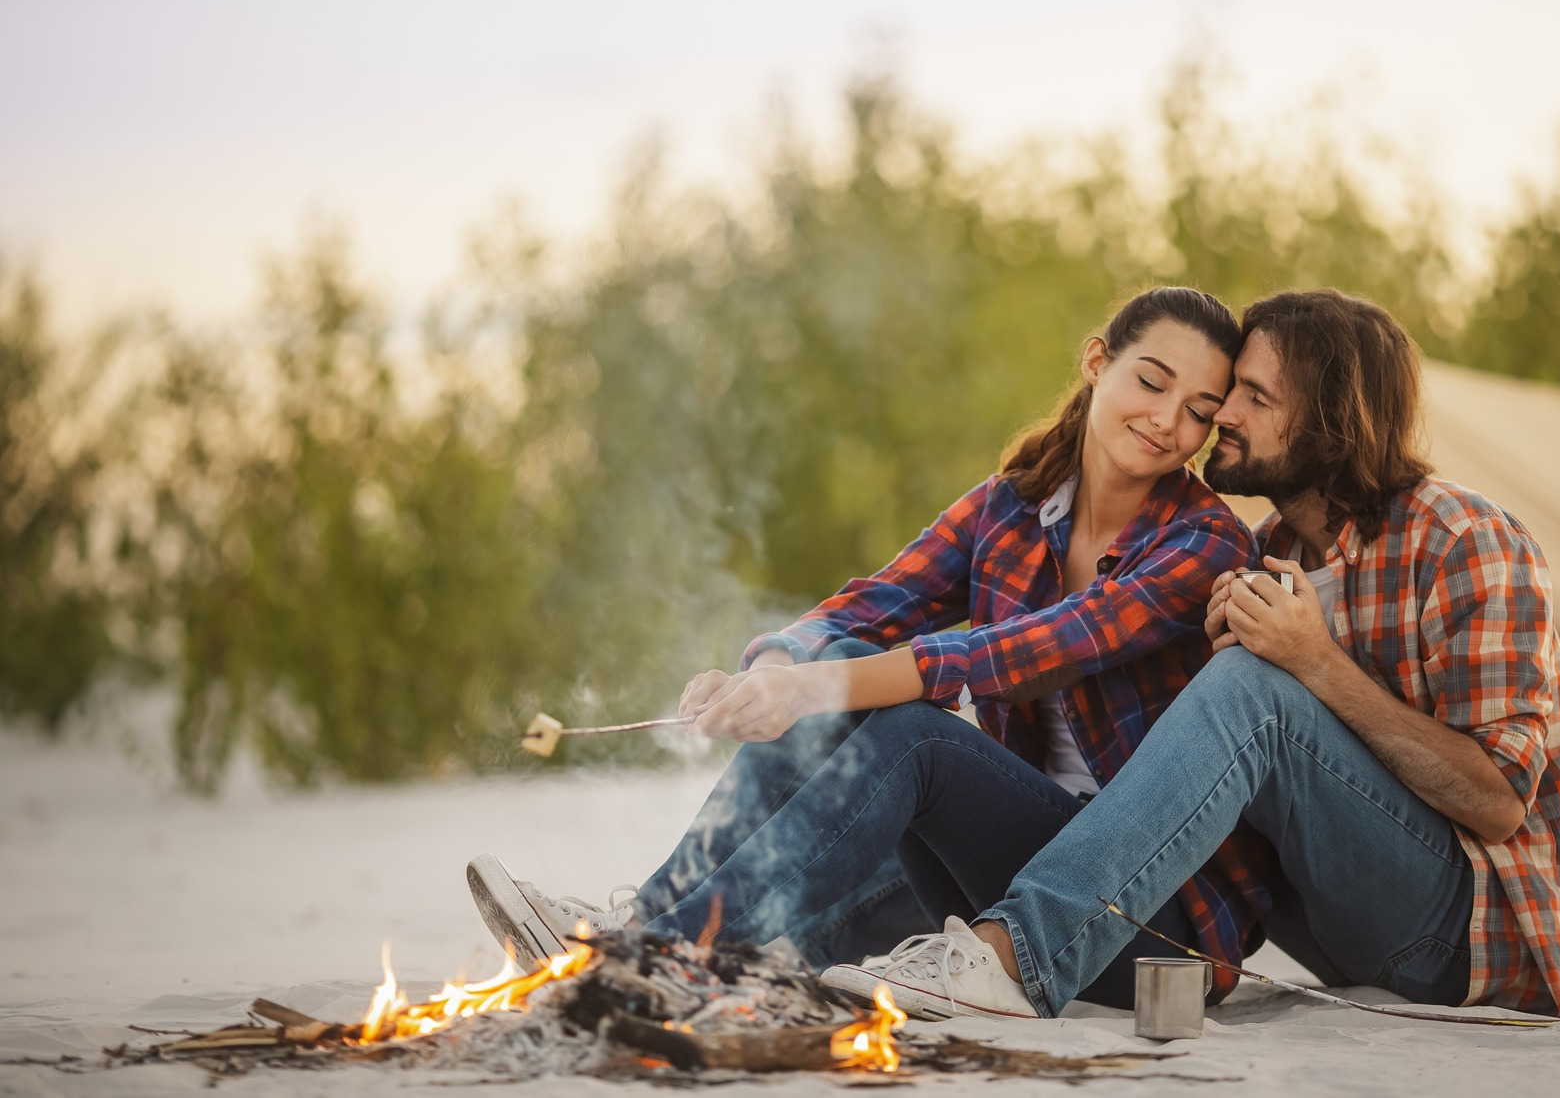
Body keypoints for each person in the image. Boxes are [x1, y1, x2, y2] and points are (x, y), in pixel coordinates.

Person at [467, 286, 1276, 1014]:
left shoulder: (1204, 541)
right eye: (1152, 380)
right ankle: (646, 922)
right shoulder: (1012, 507)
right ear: (1098, 362)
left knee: (910, 732)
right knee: (846, 660)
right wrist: (778, 670)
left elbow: (1035, 650)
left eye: (1201, 409)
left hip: (1140, 916)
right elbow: (875, 602)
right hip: (1003, 869)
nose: (1171, 421)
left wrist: (821, 688)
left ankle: (665, 952)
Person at [834, 288, 1560, 1021]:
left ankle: (1018, 958)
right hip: (1329, 934)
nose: (1219, 415)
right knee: (924, 752)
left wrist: (1317, 664)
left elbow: (1499, 802)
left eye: (1255, 398)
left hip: (1466, 935)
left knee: (1253, 685)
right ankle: (774, 935)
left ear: (1333, 423)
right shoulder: (1262, 554)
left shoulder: (1463, 539)